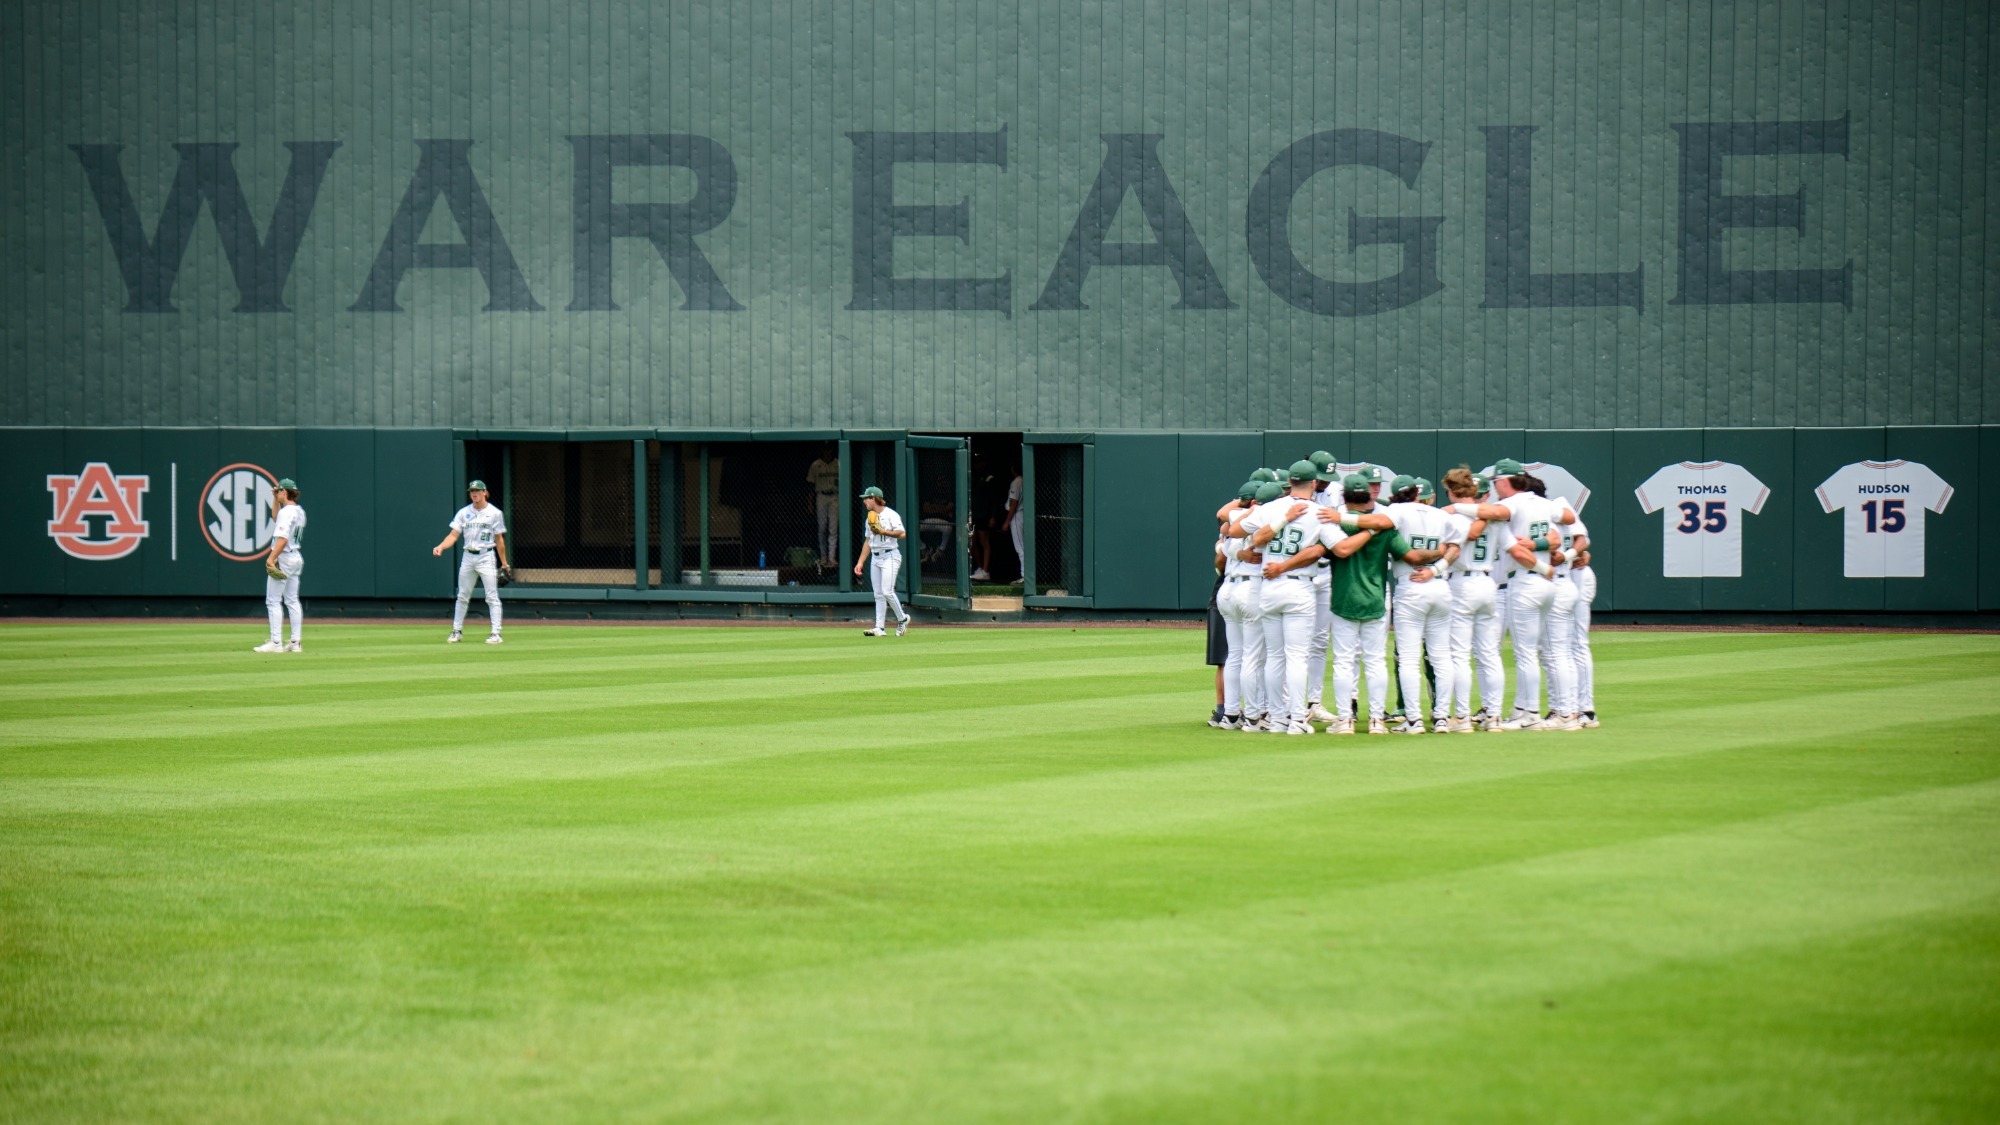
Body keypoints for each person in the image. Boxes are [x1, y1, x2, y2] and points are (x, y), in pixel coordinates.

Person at [1267, 472, 1436, 734]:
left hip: (1343, 599)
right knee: (1375, 661)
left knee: (1344, 662)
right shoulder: (1383, 526)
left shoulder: (1337, 523)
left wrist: (1283, 566)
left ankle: (1345, 720)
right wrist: (1443, 553)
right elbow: (1413, 557)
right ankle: (1377, 720)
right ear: (1369, 497)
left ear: (1344, 498)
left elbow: (1317, 551)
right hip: (1376, 598)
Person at [1446, 459, 1578, 730]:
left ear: (1505, 481)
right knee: (1549, 652)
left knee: (1524, 653)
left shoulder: (1511, 505)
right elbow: (1567, 520)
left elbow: (1490, 514)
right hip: (1543, 581)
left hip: (1521, 581)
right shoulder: (1543, 503)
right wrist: (1542, 555)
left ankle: (1530, 714)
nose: (1496, 489)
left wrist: (1455, 507)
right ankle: (1562, 712)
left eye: (1497, 483)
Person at [1383, 475, 1463, 734]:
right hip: (1439, 585)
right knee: (1441, 656)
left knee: (1408, 658)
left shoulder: (1396, 510)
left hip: (1411, 584)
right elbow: (1455, 548)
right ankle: (1441, 718)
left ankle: (1414, 720)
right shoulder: (1441, 515)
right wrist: (1437, 568)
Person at [1440, 468, 1505, 731]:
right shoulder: (1490, 516)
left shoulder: (1451, 517)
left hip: (1462, 583)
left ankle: (1462, 716)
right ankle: (1494, 715)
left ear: (1451, 490)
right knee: (1489, 654)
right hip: (1488, 581)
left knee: (1459, 654)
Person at [1216, 480, 1281, 730]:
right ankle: (1254, 716)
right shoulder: (1264, 517)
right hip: (1250, 589)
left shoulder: (1235, 517)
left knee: (1235, 655)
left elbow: (1223, 546)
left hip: (1228, 589)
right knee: (1254, 657)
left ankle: (1231, 714)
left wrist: (1237, 553)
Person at [432, 479, 510, 645]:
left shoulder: (494, 513)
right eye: (472, 491)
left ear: (484, 493)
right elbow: (453, 535)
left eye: (477, 491)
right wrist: (441, 546)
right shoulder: (464, 512)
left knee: (492, 596)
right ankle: (456, 631)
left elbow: (499, 539)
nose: (474, 493)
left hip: (486, 556)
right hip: (468, 556)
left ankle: (496, 633)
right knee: (462, 596)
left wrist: (504, 564)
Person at [253, 478, 306, 653]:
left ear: (284, 492)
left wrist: (271, 558)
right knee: (292, 600)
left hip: (284, 557)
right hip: (295, 557)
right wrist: (275, 499)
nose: (277, 494)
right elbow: (276, 517)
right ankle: (295, 642)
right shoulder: (298, 511)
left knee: (273, 600)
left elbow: (282, 539)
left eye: (279, 492)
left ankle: (275, 643)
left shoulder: (287, 512)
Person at [854, 485, 912, 637]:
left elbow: (902, 533)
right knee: (878, 594)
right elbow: (868, 541)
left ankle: (902, 618)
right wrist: (860, 562)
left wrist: (883, 531)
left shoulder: (891, 514)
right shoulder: (870, 518)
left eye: (866, 499)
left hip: (890, 555)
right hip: (875, 556)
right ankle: (879, 627)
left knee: (887, 591)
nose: (864, 501)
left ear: (873, 498)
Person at [806, 444, 841, 567]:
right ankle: (823, 557)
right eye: (825, 449)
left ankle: (831, 558)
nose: (827, 451)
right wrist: (810, 503)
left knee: (833, 528)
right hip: (821, 496)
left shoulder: (838, 464)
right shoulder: (816, 465)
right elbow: (810, 485)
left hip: (835, 496)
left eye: (829, 449)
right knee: (822, 528)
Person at [1004, 464, 1026, 585]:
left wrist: (1007, 521)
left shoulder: (1016, 482)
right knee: (1024, 545)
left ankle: (1025, 575)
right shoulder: (1025, 480)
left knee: (1020, 546)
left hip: (1017, 515)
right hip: (1024, 514)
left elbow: (1014, 503)